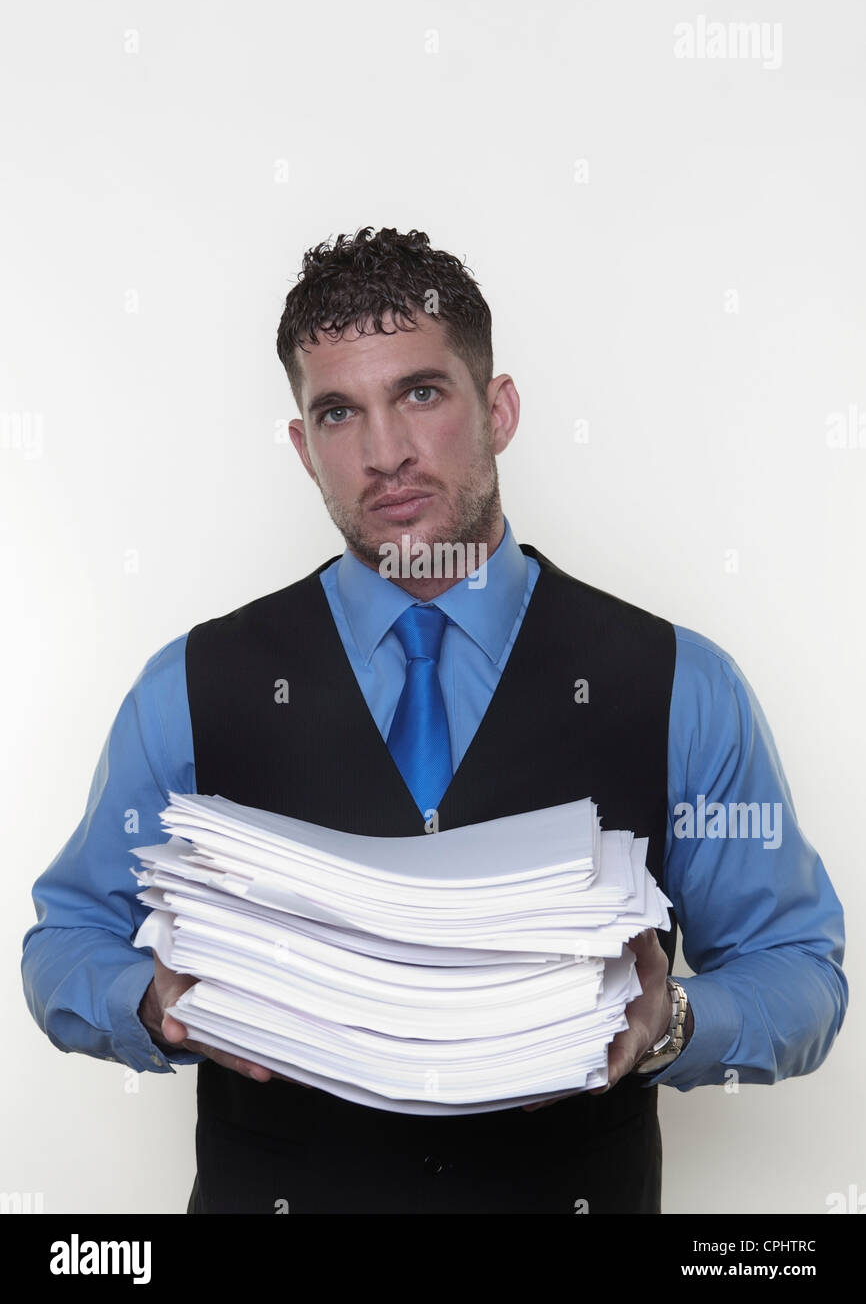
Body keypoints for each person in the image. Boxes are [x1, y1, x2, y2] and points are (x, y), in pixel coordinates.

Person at [22, 226, 847, 1215]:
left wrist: (667, 1021)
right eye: (337, 412)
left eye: (420, 392)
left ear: (496, 409)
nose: (384, 452)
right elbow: (65, 937)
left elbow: (798, 970)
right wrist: (150, 1001)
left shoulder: (677, 683)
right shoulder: (191, 686)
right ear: (301, 447)